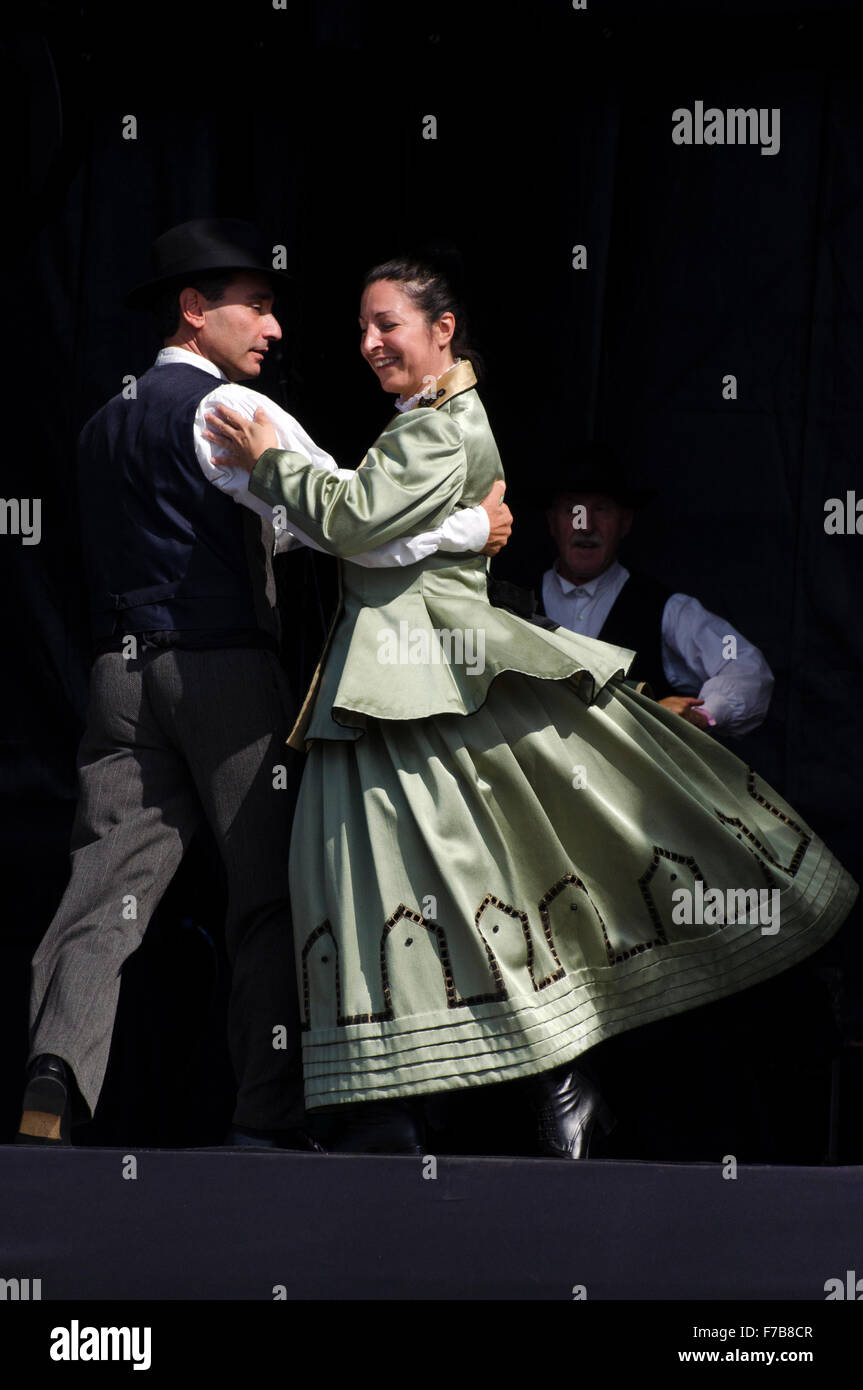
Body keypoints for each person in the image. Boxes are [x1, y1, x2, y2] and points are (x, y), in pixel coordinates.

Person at [204, 251, 858, 1159]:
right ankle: (415, 1101)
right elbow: (361, 538)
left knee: (451, 874)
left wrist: (274, 464)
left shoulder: (437, 428)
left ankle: (520, 1086)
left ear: (442, 331)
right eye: (361, 327)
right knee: (408, 876)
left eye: (386, 324)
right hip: (394, 673)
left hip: (424, 670)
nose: (367, 343)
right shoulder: (424, 424)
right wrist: (468, 528)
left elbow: (351, 521)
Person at [17, 220, 511, 1148]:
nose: (275, 329)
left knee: (102, 890)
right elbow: (345, 523)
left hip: (118, 681)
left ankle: (54, 1071)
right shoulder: (235, 415)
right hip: (221, 675)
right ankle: (270, 1116)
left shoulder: (101, 422)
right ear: (194, 310)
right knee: (271, 893)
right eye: (258, 305)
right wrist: (463, 533)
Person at [537, 451, 774, 738]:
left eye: (601, 509)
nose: (586, 526)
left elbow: (747, 669)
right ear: (552, 523)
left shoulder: (665, 609)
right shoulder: (507, 601)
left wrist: (699, 716)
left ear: (625, 522)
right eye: (573, 510)